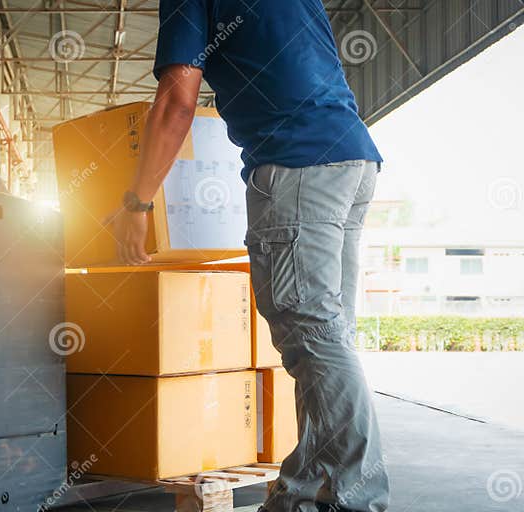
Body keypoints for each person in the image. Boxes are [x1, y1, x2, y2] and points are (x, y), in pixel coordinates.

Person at [109, 1, 390, 511]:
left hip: (297, 165)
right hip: (352, 158)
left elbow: (177, 103)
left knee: (315, 338)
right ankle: (301, 495)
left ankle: (357, 498)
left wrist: (138, 201)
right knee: (324, 343)